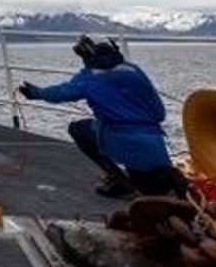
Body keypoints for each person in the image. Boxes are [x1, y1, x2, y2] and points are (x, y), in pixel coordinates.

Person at [18, 35, 186, 198]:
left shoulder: (90, 77)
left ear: (87, 55)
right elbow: (159, 112)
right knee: (156, 186)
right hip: (154, 142)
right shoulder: (134, 70)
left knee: (79, 129)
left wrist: (36, 93)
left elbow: (61, 93)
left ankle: (119, 181)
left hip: (121, 139)